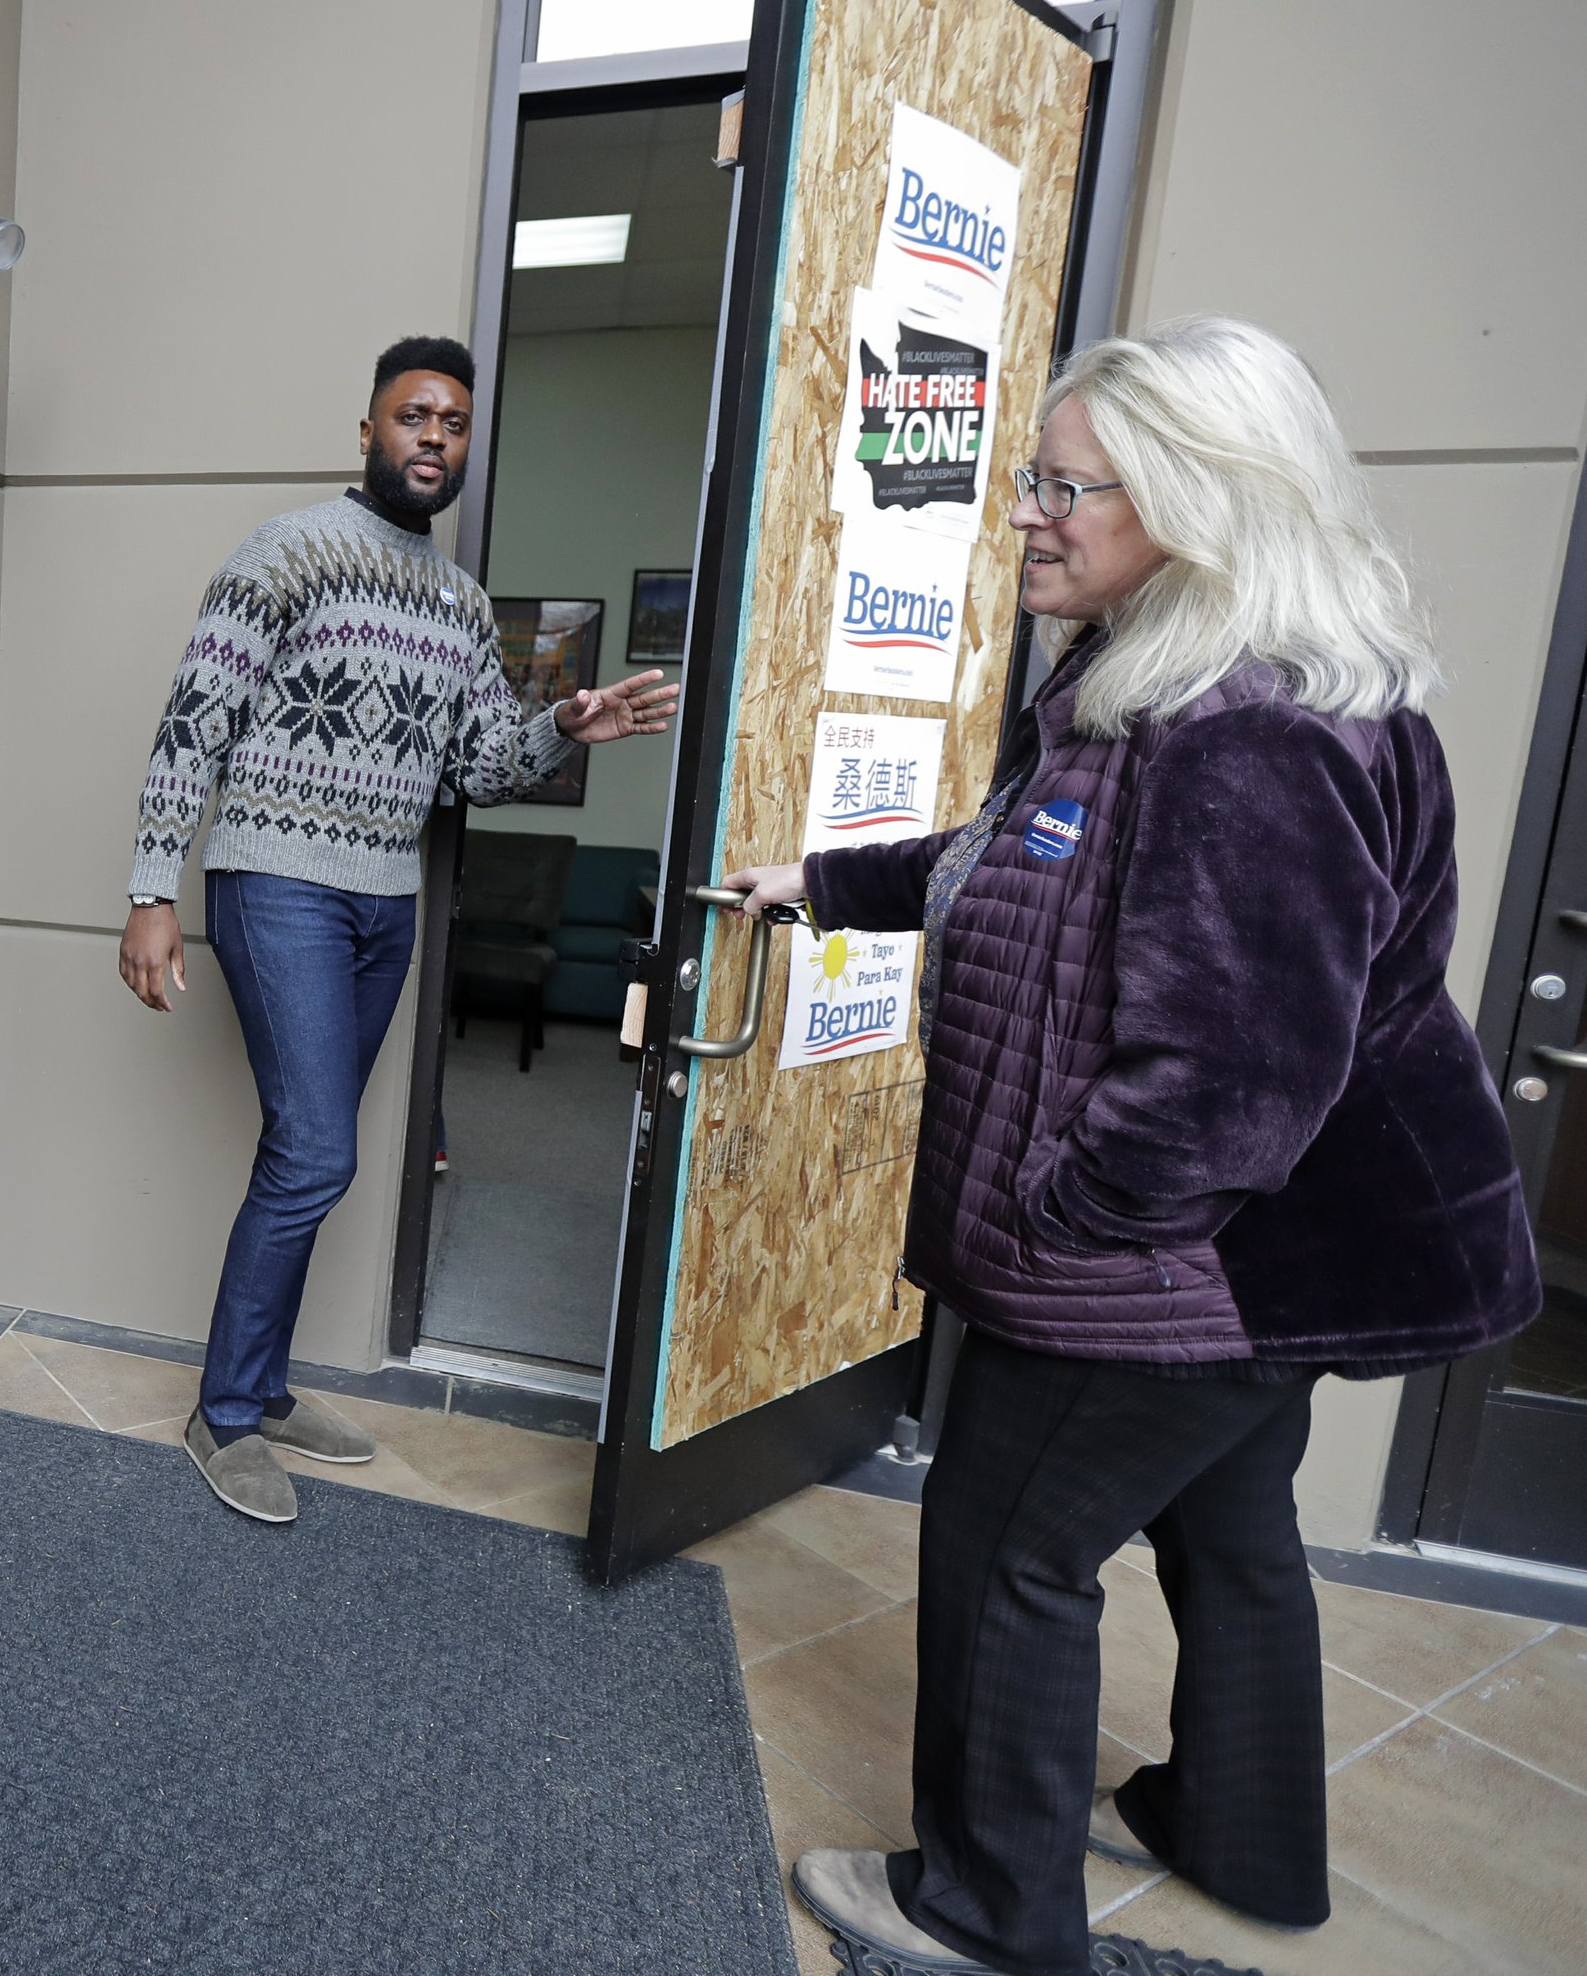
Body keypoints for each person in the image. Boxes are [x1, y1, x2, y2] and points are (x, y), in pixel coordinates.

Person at [725, 317, 1539, 1976]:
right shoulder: (1165, 688)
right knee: (1233, 1530)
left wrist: (1068, 1210)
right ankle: (1239, 1834)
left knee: (1008, 1546)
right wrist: (827, 884)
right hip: (1274, 1264)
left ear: (1197, 498)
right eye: (1034, 475)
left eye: (1066, 484)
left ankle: (983, 1910)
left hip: (1180, 1270)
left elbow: (1239, 1072)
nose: (1026, 509)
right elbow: (1012, 857)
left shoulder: (1249, 731)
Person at [120, 335, 681, 1523]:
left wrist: (562, 730)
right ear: (367, 430)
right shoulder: (289, 551)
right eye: (414, 415)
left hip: (386, 901)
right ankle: (223, 1413)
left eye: (456, 423)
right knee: (319, 1151)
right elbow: (193, 721)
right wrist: (151, 890)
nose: (435, 436)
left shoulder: (460, 605)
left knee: (308, 1149)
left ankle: (262, 1391)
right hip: (277, 881)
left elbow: (477, 762)